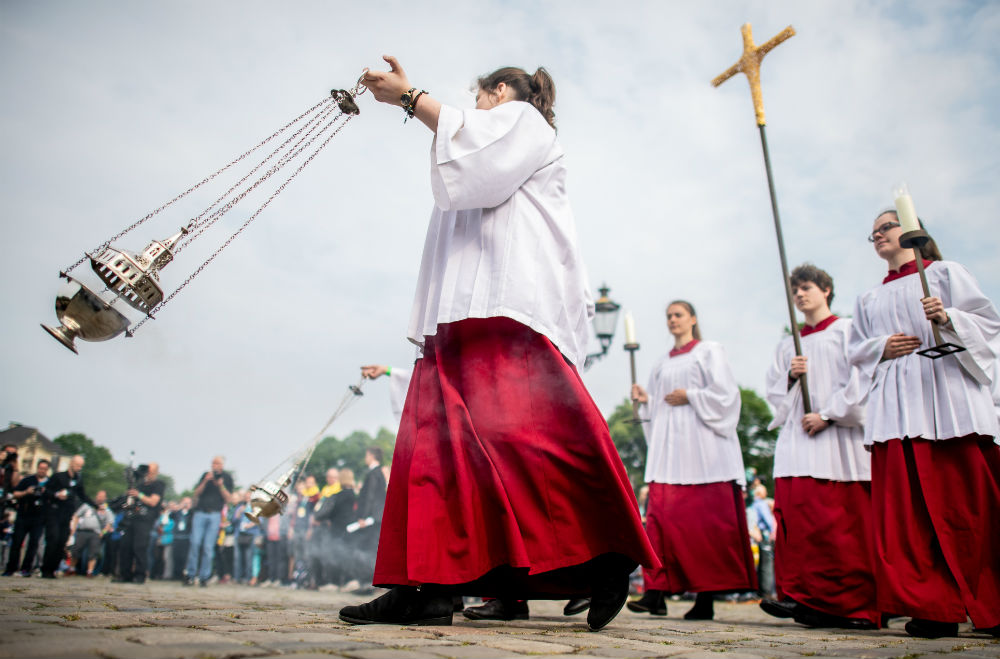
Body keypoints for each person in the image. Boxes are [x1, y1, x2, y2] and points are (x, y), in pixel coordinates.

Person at [339, 57, 657, 631]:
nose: (474, 109)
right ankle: (427, 586)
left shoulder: (524, 121)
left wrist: (411, 98)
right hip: (460, 310)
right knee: (438, 447)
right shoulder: (497, 128)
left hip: (503, 306)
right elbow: (465, 172)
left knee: (528, 438)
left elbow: (477, 163)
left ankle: (605, 551)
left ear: (501, 90)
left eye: (479, 97)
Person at [848, 211, 1000, 639]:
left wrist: (950, 318)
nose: (878, 235)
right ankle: (933, 608)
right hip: (897, 408)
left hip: (947, 400)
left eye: (887, 227)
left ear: (914, 230)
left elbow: (989, 326)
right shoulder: (868, 299)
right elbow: (854, 351)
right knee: (909, 515)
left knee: (967, 509)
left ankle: (992, 604)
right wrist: (882, 345)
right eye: (873, 232)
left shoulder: (946, 274)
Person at [759, 263, 877, 629]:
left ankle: (854, 607)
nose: (799, 294)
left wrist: (829, 414)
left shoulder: (848, 331)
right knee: (799, 523)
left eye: (806, 287)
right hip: (798, 444)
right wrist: (791, 377)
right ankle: (804, 597)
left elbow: (864, 379)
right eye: (794, 290)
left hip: (838, 441)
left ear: (826, 290)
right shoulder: (788, 345)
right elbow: (774, 397)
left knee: (838, 525)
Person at [629, 301, 757, 620]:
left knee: (703, 529)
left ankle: (705, 599)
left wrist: (691, 395)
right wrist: (645, 401)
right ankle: (655, 593)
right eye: (668, 316)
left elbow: (727, 396)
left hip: (703, 452)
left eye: (678, 315)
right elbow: (657, 408)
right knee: (660, 521)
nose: (672, 320)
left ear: (693, 319)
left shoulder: (709, 351)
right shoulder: (660, 363)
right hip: (669, 456)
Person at [41, 455, 94, 579]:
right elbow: (46, 491)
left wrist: (96, 505)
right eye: (77, 465)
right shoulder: (58, 476)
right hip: (54, 513)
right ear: (71, 463)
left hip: (67, 515)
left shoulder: (78, 480)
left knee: (61, 542)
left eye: (81, 466)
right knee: (53, 540)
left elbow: (83, 495)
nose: (79, 468)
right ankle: (45, 569)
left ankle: (53, 569)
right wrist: (56, 495)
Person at [185, 456, 233, 586]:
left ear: (222, 465)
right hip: (200, 512)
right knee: (195, 543)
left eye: (217, 463)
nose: (214, 465)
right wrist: (205, 481)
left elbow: (229, 499)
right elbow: (196, 493)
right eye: (213, 463)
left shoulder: (227, 478)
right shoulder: (205, 475)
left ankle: (204, 576)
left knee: (208, 547)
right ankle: (190, 574)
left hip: (215, 514)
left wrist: (221, 485)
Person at [116, 463, 164, 583]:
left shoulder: (158, 485)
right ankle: (125, 574)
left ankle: (140, 575)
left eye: (151, 471)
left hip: (145, 520)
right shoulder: (140, 485)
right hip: (132, 517)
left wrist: (139, 495)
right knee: (126, 546)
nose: (148, 473)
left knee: (140, 547)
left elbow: (153, 501)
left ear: (156, 472)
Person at [3, 459, 50, 576]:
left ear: (47, 470)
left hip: (39, 518)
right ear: (37, 468)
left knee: (33, 544)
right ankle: (11, 568)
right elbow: (15, 493)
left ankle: (26, 569)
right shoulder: (27, 480)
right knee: (16, 542)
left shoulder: (49, 484)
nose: (42, 471)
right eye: (40, 468)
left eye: (44, 469)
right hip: (24, 515)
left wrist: (46, 493)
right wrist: (27, 492)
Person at [70, 489, 113, 577]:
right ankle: (71, 569)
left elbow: (110, 523)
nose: (100, 498)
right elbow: (76, 515)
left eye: (102, 496)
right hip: (82, 531)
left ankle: (90, 571)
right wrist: (73, 529)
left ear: (105, 498)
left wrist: (102, 533)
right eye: (99, 496)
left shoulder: (106, 509)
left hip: (96, 533)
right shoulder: (87, 505)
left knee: (93, 553)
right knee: (76, 550)